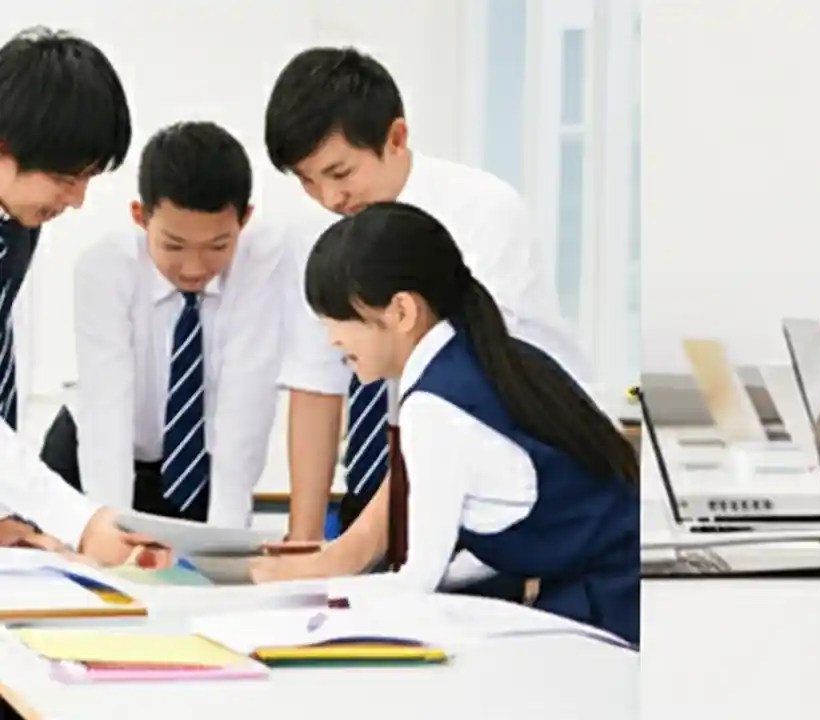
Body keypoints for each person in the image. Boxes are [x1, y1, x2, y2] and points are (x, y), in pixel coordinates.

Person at [254, 202, 639, 645]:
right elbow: (493, 540)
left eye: (338, 320)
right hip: (614, 590)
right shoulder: (489, 362)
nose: (332, 339)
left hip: (609, 609)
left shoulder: (434, 408)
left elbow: (418, 582)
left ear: (401, 311)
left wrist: (294, 588)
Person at [264, 46, 585, 545]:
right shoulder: (314, 232)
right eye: (307, 181)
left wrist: (351, 552)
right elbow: (315, 385)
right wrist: (303, 546)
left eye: (340, 173)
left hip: (514, 484)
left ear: (396, 138)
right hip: (380, 495)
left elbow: (467, 392)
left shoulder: (482, 212)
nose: (329, 198)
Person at [40, 122, 288, 528]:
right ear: (140, 217)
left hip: (196, 469)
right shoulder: (105, 267)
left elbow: (247, 400)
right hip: (93, 456)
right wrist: (110, 528)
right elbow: (107, 407)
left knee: (209, 559)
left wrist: (227, 535)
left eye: (218, 246)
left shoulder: (260, 264)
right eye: (173, 245)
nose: (193, 268)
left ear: (245, 219)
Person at [0, 28, 165, 566]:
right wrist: (81, 521)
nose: (76, 200)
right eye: (66, 178)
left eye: (87, 178)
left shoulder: (17, 225)